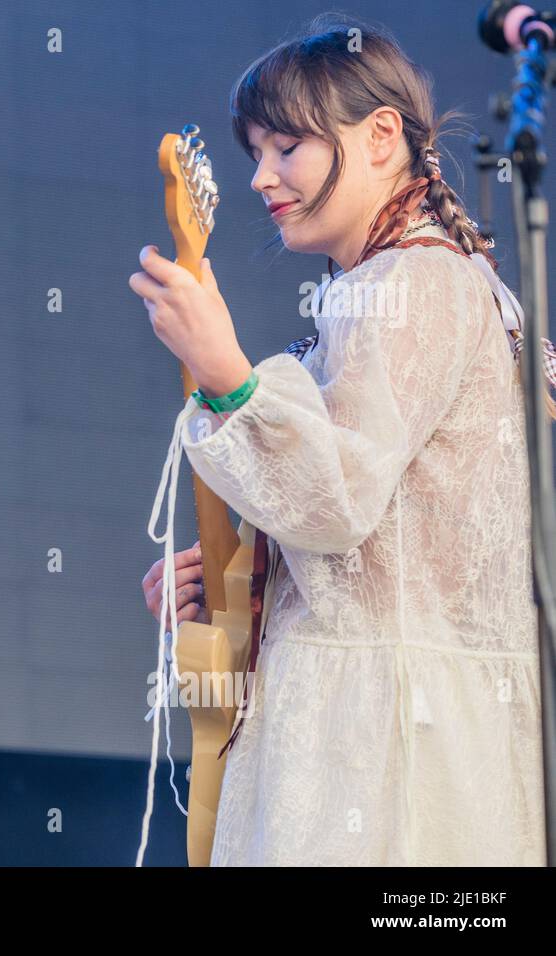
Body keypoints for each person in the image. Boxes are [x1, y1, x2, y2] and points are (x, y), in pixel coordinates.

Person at [129, 17, 545, 865]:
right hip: (440, 738)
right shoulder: (457, 285)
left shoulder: (407, 284)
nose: (260, 178)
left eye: (287, 147)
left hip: (381, 758)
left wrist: (224, 374)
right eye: (255, 152)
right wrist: (239, 582)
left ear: (382, 135)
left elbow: (337, 501)